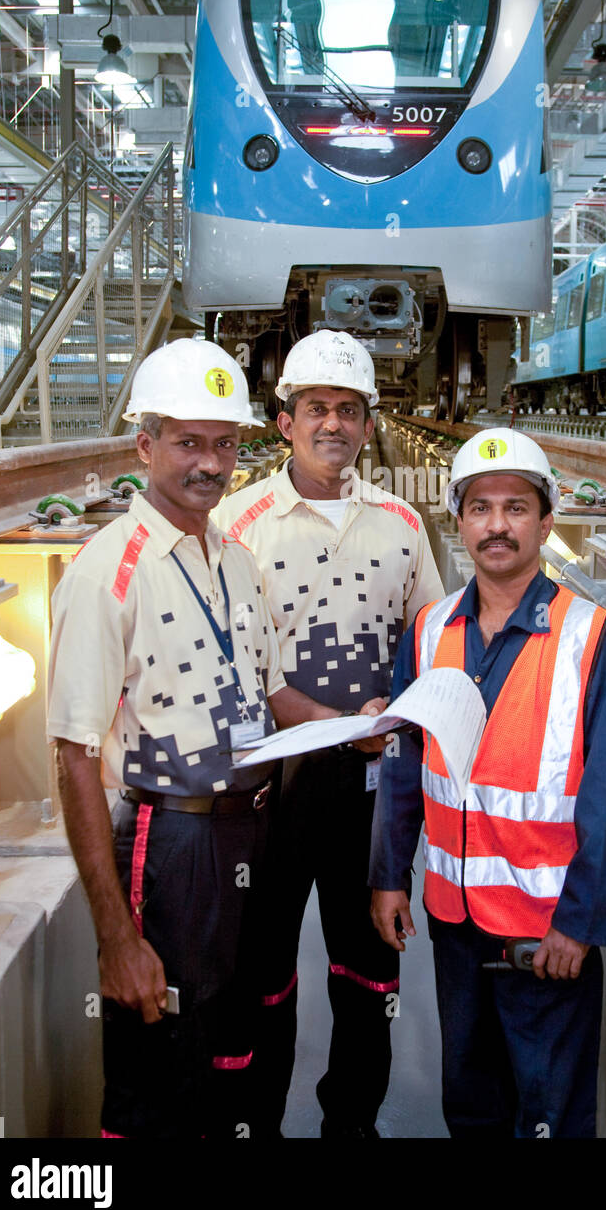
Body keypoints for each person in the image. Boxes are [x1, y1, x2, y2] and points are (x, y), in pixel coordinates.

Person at [48, 338, 384, 1139]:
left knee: (227, 1041)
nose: (209, 463)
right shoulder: (107, 574)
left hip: (250, 825)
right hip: (169, 843)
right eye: (188, 442)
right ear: (145, 443)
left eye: (225, 444)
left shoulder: (234, 560)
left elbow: (266, 691)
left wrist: (353, 727)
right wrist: (116, 938)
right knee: (154, 1062)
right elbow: (73, 756)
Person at [370, 427, 606, 1139]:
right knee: (471, 1100)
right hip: (456, 924)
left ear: (546, 521)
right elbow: (403, 764)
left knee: (549, 1112)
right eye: (481, 507)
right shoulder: (429, 632)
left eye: (516, 508)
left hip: (545, 933)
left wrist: (579, 925)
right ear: (458, 521)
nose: (498, 526)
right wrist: (389, 876)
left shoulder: (588, 636)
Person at [214, 329, 443, 1138]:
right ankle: (256, 1125)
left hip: (368, 790)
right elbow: (232, 659)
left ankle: (354, 1125)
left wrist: (404, 711)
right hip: (270, 786)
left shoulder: (401, 523)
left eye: (348, 410)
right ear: (284, 422)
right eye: (316, 408)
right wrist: (326, 722)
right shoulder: (238, 523)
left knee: (367, 970)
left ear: (368, 425)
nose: (332, 425)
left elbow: (428, 639)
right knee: (262, 971)